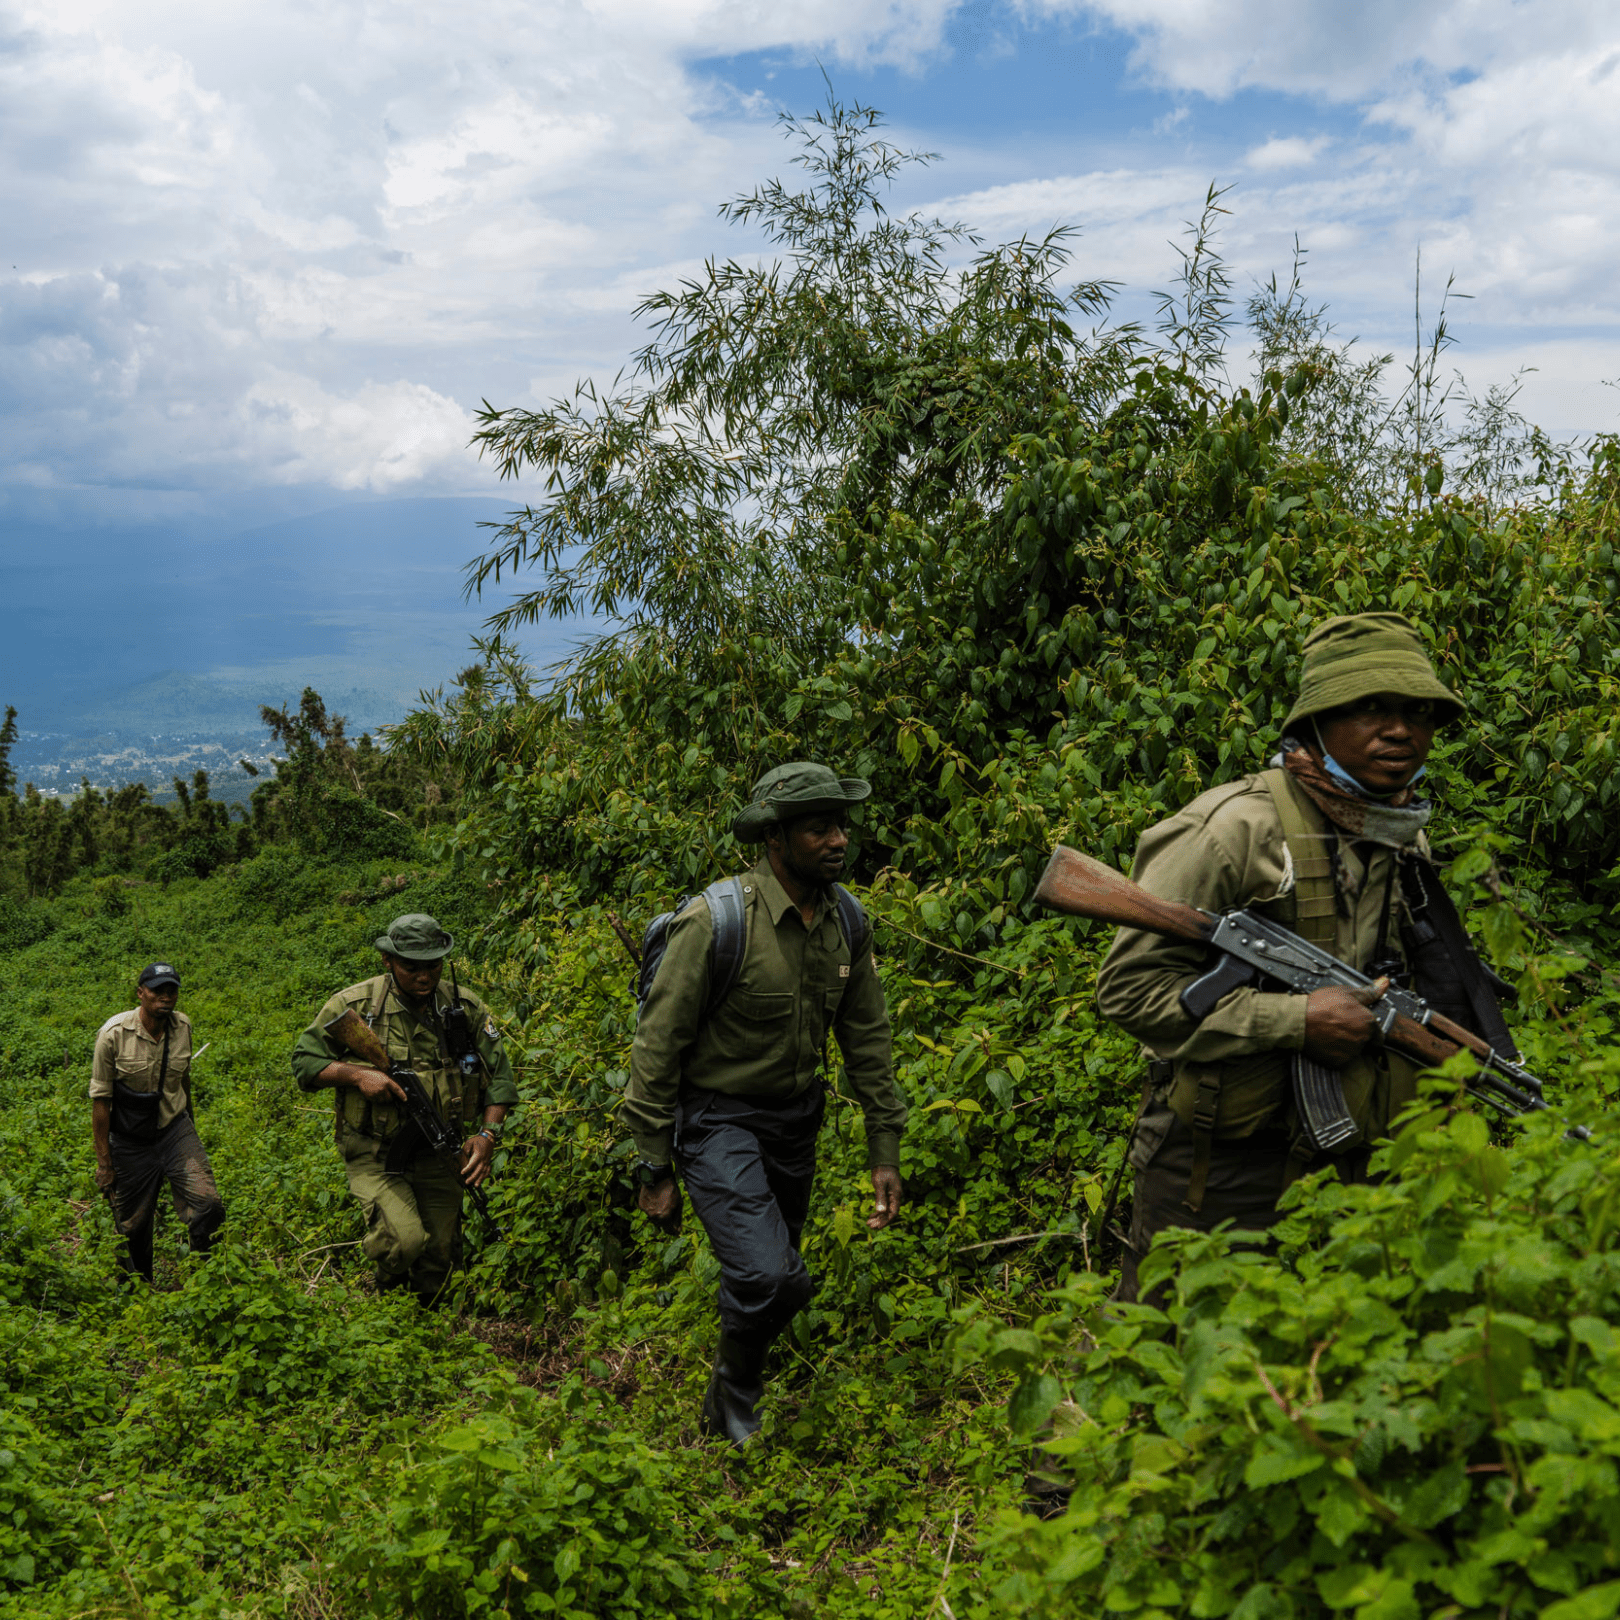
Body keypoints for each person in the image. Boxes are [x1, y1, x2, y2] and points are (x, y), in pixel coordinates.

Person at [1096, 612, 1516, 1303]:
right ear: (1316, 722)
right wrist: (1293, 1020)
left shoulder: (1397, 833)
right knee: (1169, 1363)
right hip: (1223, 1166)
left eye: (1419, 713)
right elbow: (1130, 991)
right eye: (1369, 708)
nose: (1400, 731)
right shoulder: (1234, 828)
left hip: (1357, 1164)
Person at [626, 762, 908, 1445]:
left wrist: (884, 1150)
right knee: (772, 1276)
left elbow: (866, 1039)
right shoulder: (716, 922)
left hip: (795, 1121)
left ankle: (727, 1393)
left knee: (773, 1275)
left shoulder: (847, 919)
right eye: (820, 829)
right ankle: (734, 1413)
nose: (839, 840)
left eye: (842, 825)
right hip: (717, 1120)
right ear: (776, 840)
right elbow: (657, 1049)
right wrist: (653, 1168)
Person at [290, 913, 517, 1306]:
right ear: (388, 961)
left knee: (440, 1256)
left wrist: (487, 1134)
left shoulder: (464, 1007)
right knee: (404, 1242)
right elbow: (305, 1063)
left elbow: (500, 1078)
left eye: (433, 965)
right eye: (411, 967)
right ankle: (387, 1304)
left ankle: (427, 1330)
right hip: (375, 1151)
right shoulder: (354, 1005)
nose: (424, 976)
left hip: (438, 1147)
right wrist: (357, 1075)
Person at [91, 961, 225, 1282]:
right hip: (129, 1140)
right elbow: (100, 1102)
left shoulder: (183, 1028)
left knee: (209, 1205)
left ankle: (203, 1280)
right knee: (132, 1226)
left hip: (174, 1130)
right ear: (140, 993)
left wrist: (190, 1126)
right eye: (157, 990)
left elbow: (184, 1080)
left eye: (172, 990)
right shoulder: (113, 1035)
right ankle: (139, 1290)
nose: (165, 997)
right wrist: (104, 1163)